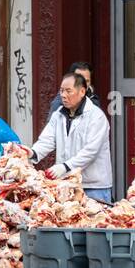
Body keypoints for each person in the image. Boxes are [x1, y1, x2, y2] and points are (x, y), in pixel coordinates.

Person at [32, 70, 113, 203]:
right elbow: (46, 141)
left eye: (68, 91)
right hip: (66, 185)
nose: (63, 95)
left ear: (82, 92)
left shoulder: (96, 116)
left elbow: (90, 151)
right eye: (61, 91)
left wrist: (65, 167)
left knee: (96, 223)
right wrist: (32, 153)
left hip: (93, 186)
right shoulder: (58, 114)